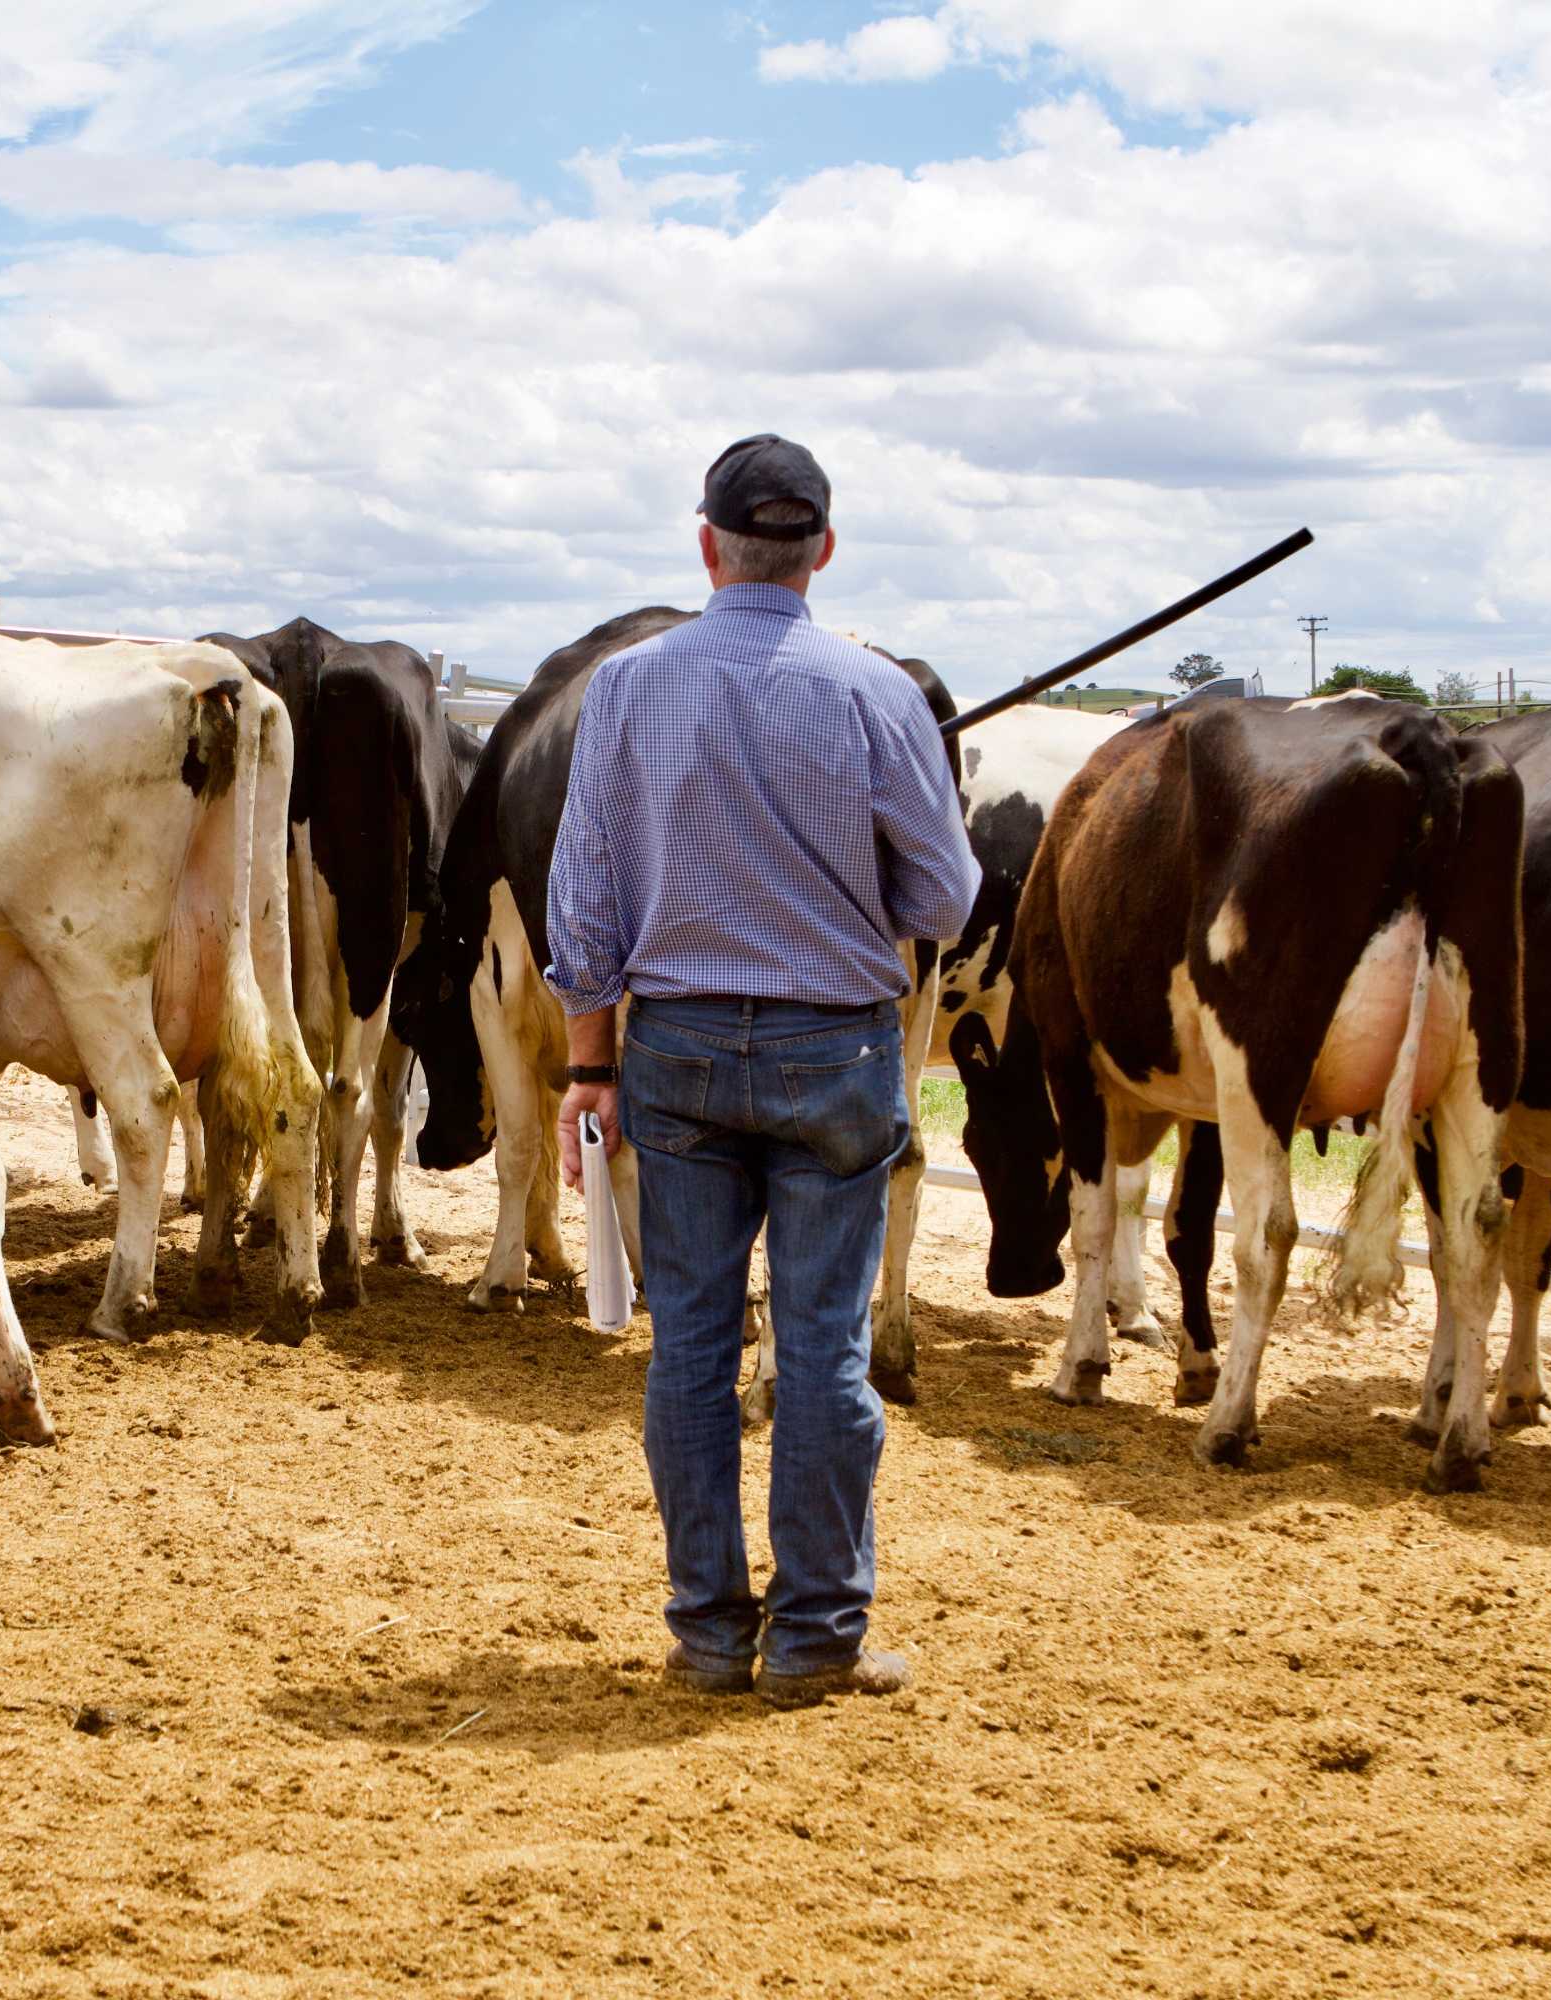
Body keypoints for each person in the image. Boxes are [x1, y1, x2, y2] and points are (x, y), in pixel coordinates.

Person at [543, 434, 983, 1707]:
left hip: (675, 1047)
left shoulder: (625, 689)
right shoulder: (878, 693)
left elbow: (584, 901)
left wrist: (590, 1063)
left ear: (708, 547)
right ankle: (815, 1638)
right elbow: (946, 897)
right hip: (835, 1049)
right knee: (825, 1347)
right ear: (823, 550)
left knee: (688, 1345)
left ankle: (706, 1628)